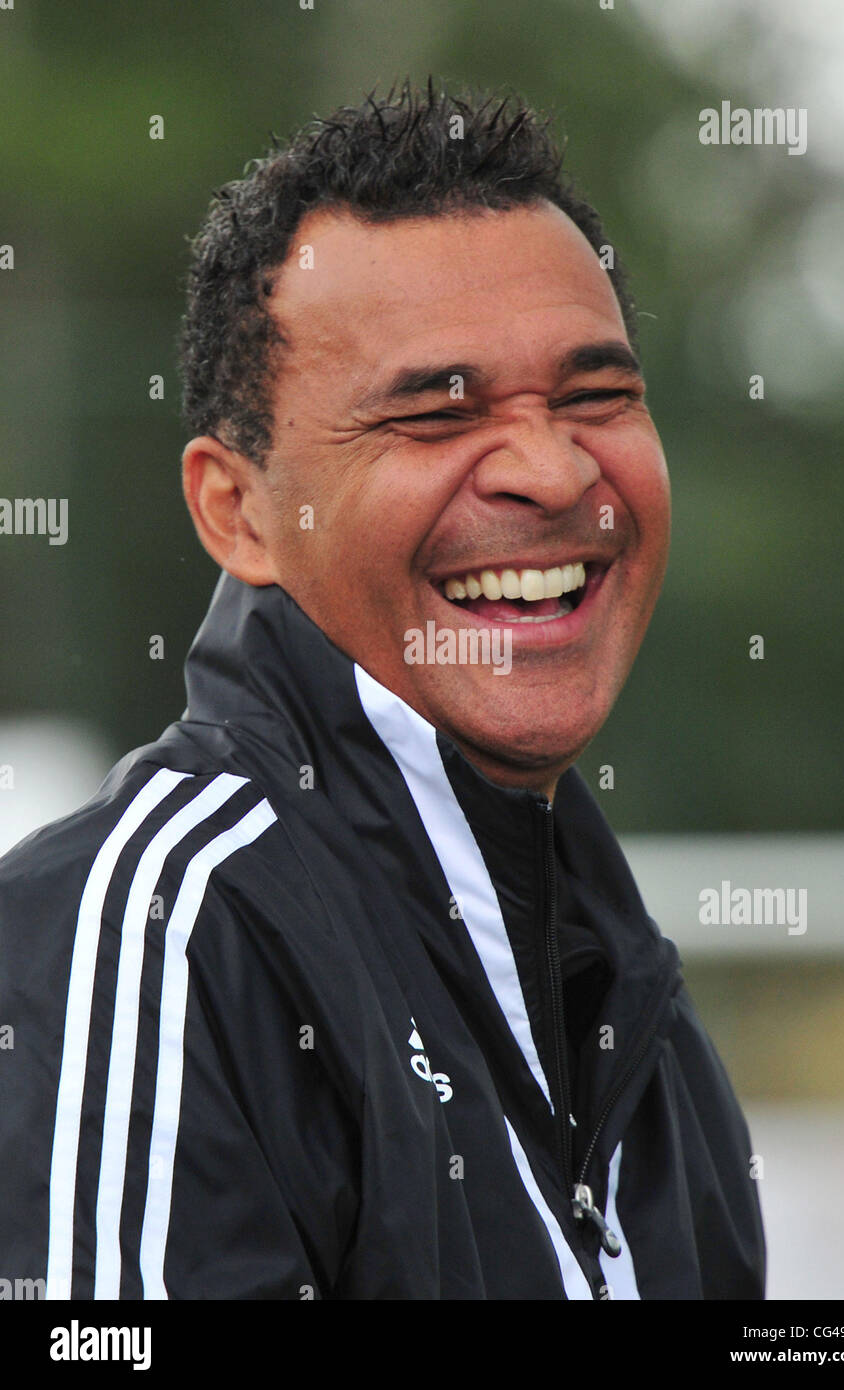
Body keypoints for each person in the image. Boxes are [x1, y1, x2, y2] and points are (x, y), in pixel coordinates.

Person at [0, 80, 765, 1300]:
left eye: (595, 394)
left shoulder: (638, 1015)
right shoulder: (152, 942)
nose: (552, 468)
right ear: (237, 511)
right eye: (434, 410)